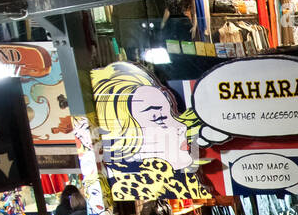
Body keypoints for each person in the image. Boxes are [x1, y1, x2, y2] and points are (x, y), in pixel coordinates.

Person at [91, 62, 213, 201]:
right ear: (122, 137)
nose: (181, 127)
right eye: (160, 118)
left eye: (172, 115)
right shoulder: (139, 186)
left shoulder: (175, 183)